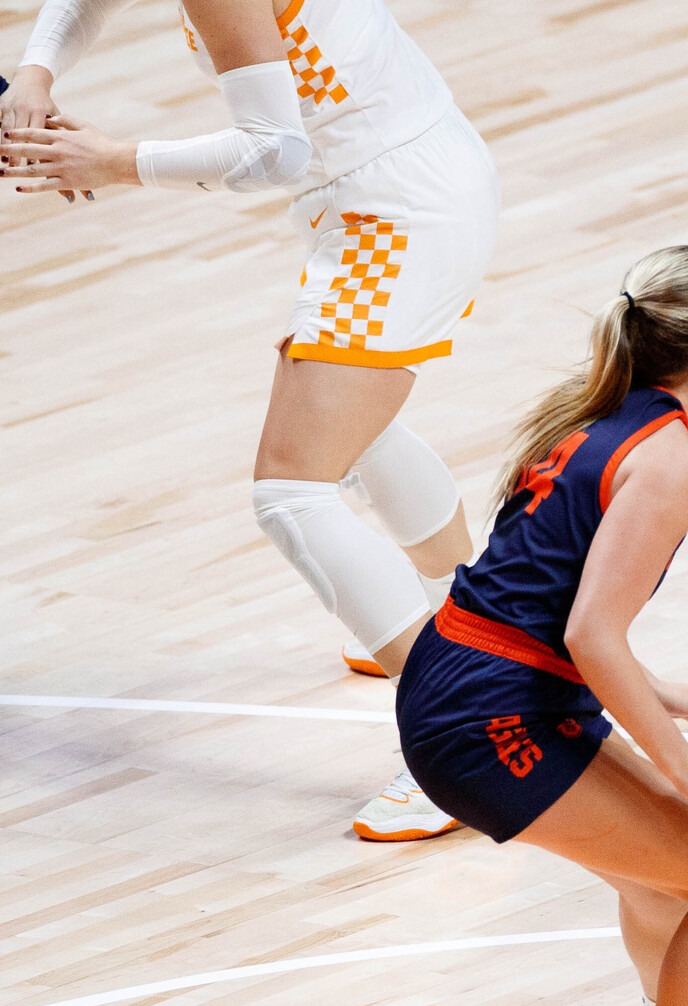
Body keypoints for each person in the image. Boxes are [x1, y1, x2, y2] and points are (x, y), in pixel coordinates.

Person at [1, 0, 495, 840]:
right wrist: (36, 72)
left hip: (395, 217)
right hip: (394, 187)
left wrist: (114, 161)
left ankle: (466, 729)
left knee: (290, 491)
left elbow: (273, 150)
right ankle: (470, 609)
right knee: (348, 429)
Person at [395, 247, 688, 1006]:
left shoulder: (592, 420)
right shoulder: (673, 460)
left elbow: (541, 601)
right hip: (488, 714)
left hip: (461, 676)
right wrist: (683, 765)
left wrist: (656, 690)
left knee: (660, 879)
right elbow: (591, 634)